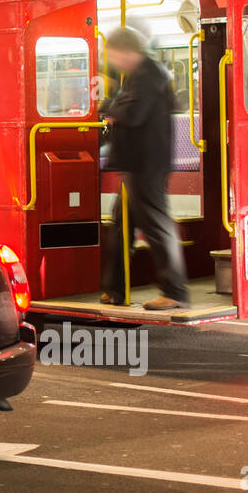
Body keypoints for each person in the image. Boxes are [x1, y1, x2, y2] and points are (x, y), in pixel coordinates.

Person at [98, 26, 190, 310]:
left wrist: (110, 106)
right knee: (122, 224)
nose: (112, 61)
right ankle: (115, 288)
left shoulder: (148, 75)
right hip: (139, 161)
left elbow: (133, 114)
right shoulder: (145, 74)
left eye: (113, 55)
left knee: (156, 225)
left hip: (146, 163)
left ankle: (174, 291)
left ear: (127, 52)